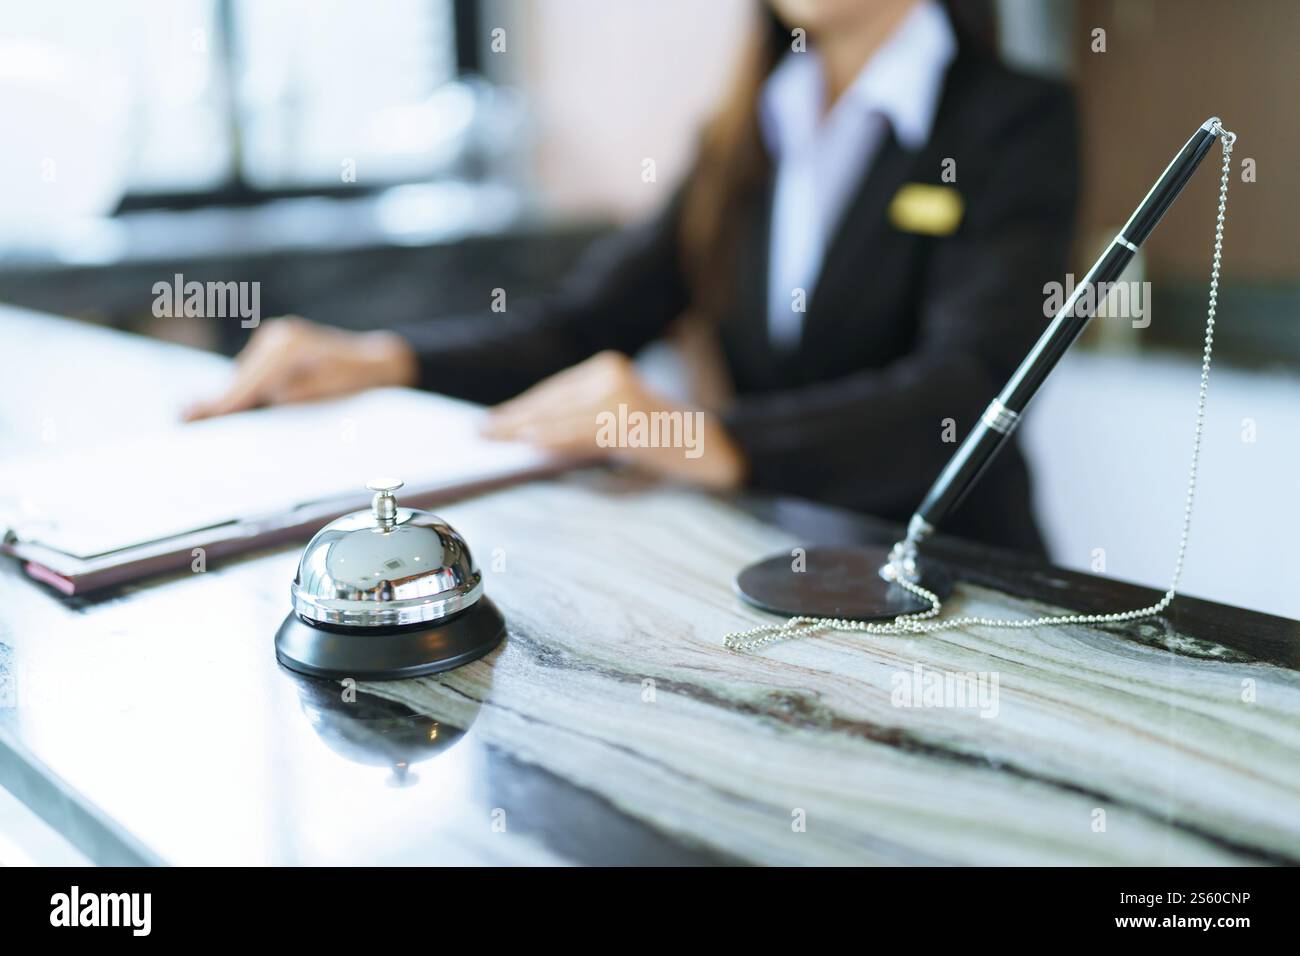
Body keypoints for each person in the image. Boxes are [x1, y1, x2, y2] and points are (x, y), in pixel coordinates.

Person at [187, 0, 1078, 554]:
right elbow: (587, 324)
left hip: (964, 577)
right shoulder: (749, 132)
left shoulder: (1017, 120)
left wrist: (706, 438)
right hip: (789, 562)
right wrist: (385, 359)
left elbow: (964, 393)